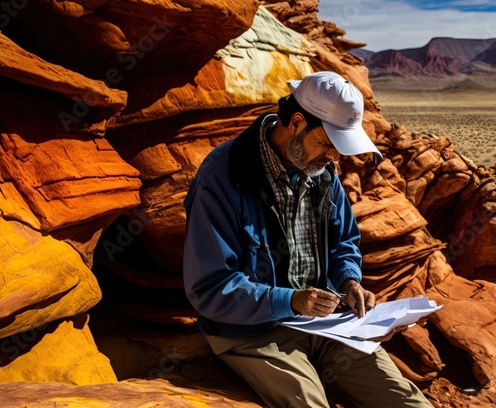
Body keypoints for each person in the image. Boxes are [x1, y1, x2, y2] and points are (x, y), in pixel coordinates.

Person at [182, 71, 432, 407]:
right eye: (328, 144)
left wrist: (348, 282)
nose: (334, 157)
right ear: (297, 122)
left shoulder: (320, 171)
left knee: (407, 402)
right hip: (250, 332)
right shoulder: (224, 177)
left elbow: (343, 242)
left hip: (324, 325)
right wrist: (291, 300)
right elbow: (211, 288)